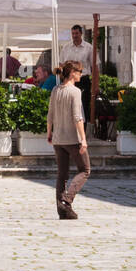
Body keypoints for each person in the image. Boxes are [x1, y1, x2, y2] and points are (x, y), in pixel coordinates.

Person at [47, 60, 90, 221]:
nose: (81, 74)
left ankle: (63, 210)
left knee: (62, 174)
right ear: (73, 73)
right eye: (79, 72)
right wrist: (83, 139)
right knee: (85, 170)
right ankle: (67, 198)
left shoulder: (55, 90)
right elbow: (77, 117)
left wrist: (49, 133)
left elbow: (50, 115)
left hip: (58, 138)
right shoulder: (75, 92)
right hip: (73, 138)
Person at [59, 25, 93, 121]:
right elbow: (61, 64)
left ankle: (83, 130)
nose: (75, 36)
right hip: (68, 80)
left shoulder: (89, 47)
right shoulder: (66, 47)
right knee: (68, 104)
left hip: (83, 80)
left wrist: (95, 85)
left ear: (81, 34)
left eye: (76, 33)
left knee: (83, 105)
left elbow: (95, 67)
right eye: (73, 33)